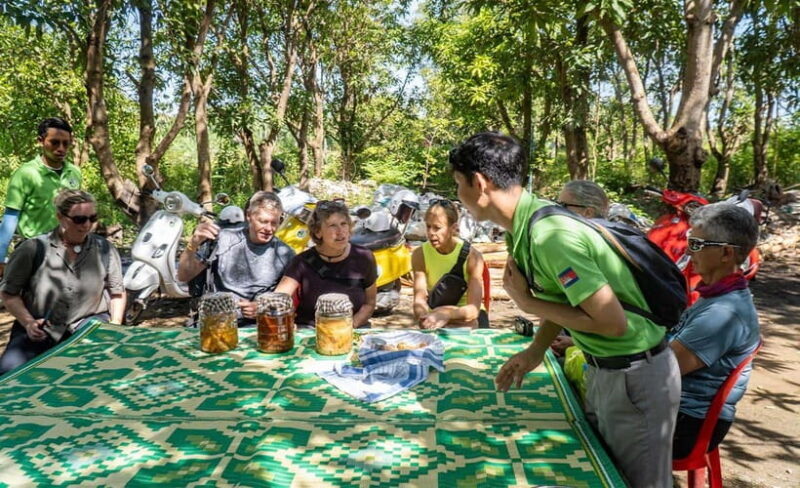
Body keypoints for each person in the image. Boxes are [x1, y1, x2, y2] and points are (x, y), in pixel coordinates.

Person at [450, 132, 680, 488]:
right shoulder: (522, 228)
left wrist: (527, 303)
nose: (458, 196)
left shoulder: (550, 235)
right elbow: (562, 301)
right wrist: (535, 350)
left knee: (640, 482)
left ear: (479, 183)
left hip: (635, 375)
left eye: (457, 185)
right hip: (605, 369)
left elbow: (612, 323)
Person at [670, 203, 760, 459]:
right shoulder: (718, 296)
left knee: (588, 416)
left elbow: (662, 368)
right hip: (682, 412)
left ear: (726, 254)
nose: (689, 250)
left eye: (697, 245)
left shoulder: (724, 313)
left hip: (687, 423)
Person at [0, 190, 124, 375]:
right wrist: (28, 323)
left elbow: (117, 293)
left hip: (89, 326)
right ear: (60, 217)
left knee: (107, 374)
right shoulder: (33, 248)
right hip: (41, 327)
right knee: (9, 376)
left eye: (92, 218)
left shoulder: (104, 249)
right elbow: (9, 294)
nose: (87, 225)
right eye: (79, 219)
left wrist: (114, 324)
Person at [177, 191, 295, 326]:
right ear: (249, 216)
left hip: (259, 325)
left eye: (274, 223)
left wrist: (263, 307)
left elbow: (288, 299)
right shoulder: (222, 239)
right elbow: (183, 276)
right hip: (217, 320)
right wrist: (193, 244)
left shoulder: (284, 254)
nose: (269, 228)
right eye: (263, 221)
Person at [0, 118, 82, 278]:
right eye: (55, 142)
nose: (61, 148)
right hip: (34, 250)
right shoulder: (26, 174)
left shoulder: (74, 173)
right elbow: (11, 217)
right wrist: (0, 256)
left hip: (67, 250)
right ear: (40, 141)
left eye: (66, 144)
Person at [275, 200, 377, 327]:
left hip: (352, 328)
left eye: (344, 224)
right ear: (318, 231)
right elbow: (279, 298)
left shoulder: (364, 257)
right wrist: (286, 322)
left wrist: (348, 327)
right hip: (311, 330)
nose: (340, 231)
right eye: (332, 225)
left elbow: (369, 303)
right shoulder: (301, 262)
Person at [411, 198, 487, 329]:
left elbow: (473, 310)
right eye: (428, 226)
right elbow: (419, 297)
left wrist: (446, 314)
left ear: (453, 228)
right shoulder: (420, 255)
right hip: (435, 316)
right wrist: (423, 316)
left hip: (466, 317)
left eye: (437, 228)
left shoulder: (472, 257)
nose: (431, 233)